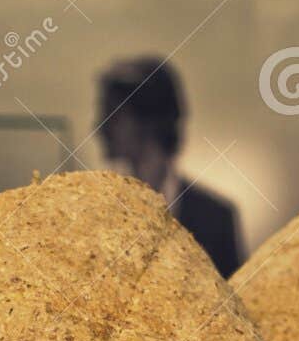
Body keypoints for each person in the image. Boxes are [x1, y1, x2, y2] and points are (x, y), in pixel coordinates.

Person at [96, 57, 243, 276]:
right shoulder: (100, 212)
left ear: (148, 122)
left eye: (113, 115)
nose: (100, 127)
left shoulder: (216, 219)